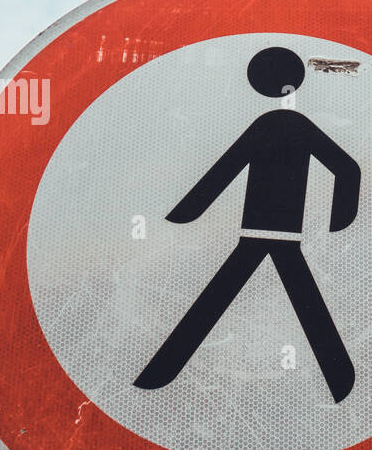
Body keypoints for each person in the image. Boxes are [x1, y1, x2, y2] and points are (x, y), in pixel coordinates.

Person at [135, 47, 360, 402]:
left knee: (218, 298)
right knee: (293, 299)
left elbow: (224, 170)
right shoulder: (292, 125)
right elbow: (347, 169)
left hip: (260, 231)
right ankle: (341, 380)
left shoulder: (274, 125)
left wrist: (187, 211)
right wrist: (340, 218)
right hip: (280, 233)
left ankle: (160, 372)